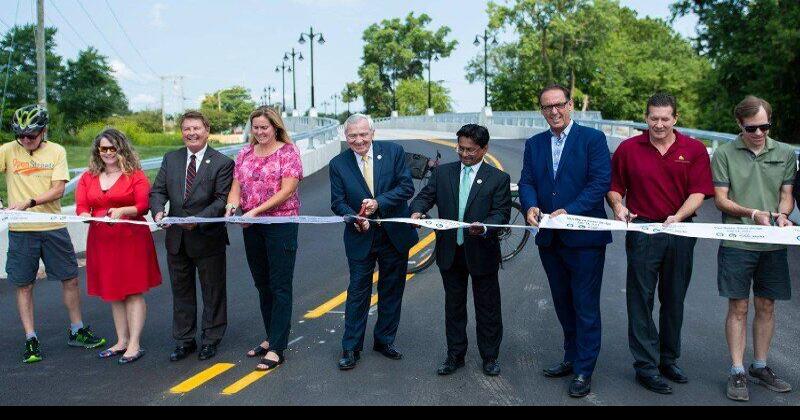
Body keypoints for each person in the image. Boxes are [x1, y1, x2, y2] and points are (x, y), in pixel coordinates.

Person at [607, 93, 715, 394]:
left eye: (665, 118)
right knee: (640, 300)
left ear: (675, 118)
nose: (659, 124)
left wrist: (678, 217)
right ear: (646, 118)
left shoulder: (693, 149)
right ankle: (646, 365)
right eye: (653, 118)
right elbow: (615, 188)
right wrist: (618, 207)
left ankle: (668, 359)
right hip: (643, 230)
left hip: (680, 230)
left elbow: (698, 193)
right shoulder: (629, 149)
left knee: (674, 298)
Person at [518, 84, 612, 398]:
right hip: (550, 238)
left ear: (570, 105)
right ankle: (571, 358)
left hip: (584, 238)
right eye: (547, 107)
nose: (554, 112)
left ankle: (585, 369)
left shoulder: (592, 139)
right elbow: (527, 180)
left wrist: (568, 212)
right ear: (541, 110)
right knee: (563, 303)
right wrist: (530, 205)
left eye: (559, 105)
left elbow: (599, 182)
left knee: (585, 306)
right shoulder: (534, 143)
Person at [0, 104, 105, 364]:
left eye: (32, 136)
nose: (26, 140)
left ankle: (77, 329)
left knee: (70, 278)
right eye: (21, 136)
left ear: (44, 131)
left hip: (53, 226)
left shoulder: (57, 151)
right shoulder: (7, 150)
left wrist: (29, 202)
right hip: (21, 229)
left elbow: (59, 190)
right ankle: (30, 338)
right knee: (24, 284)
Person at [409, 124, 511, 377]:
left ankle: (490, 357)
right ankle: (455, 355)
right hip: (450, 252)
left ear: (484, 149)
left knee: (487, 307)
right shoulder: (444, 174)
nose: (464, 154)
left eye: (471, 150)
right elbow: (425, 196)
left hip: (482, 251)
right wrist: (417, 210)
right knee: (453, 307)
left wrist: (486, 227)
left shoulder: (498, 179)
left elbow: (501, 213)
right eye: (461, 148)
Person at [711, 95, 795, 402]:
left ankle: (759, 366)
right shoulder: (723, 153)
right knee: (739, 307)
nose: (758, 133)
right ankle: (737, 370)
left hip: (773, 242)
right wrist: (753, 213)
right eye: (751, 128)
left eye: (764, 126)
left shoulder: (785, 152)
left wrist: (782, 215)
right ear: (739, 124)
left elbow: (787, 194)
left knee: (766, 306)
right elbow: (720, 198)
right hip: (737, 240)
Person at [329, 113, 418, 370]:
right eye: (353, 136)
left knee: (392, 289)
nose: (359, 140)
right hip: (360, 235)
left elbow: (406, 188)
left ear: (372, 133)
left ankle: (384, 340)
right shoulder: (338, 164)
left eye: (363, 134)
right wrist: (356, 218)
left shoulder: (394, 152)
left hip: (393, 233)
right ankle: (350, 347)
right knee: (358, 292)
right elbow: (338, 203)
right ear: (346, 137)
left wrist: (379, 203)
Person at [150, 110, 234, 362]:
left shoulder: (222, 162)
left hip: (208, 237)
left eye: (196, 128)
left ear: (207, 130)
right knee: (181, 292)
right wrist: (157, 213)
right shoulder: (171, 158)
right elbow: (158, 191)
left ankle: (210, 339)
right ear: (182, 132)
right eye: (187, 129)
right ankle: (184, 340)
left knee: (212, 291)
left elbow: (222, 200)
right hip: (176, 239)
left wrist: (196, 220)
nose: (191, 133)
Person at [225, 107, 303, 371]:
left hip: (280, 223)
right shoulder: (244, 153)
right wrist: (232, 207)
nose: (259, 132)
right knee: (263, 284)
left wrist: (256, 210)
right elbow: (236, 186)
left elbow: (288, 189)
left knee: (280, 284)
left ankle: (278, 348)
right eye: (255, 127)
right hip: (252, 225)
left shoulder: (288, 152)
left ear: (276, 127)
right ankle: (271, 337)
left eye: (264, 128)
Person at [76, 128, 162, 365]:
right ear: (97, 150)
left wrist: (123, 211)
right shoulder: (87, 177)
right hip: (102, 241)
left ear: (121, 148)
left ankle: (134, 343)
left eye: (112, 148)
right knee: (114, 292)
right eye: (103, 148)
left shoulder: (135, 175)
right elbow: (81, 206)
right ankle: (121, 340)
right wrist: (84, 215)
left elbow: (143, 205)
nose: (108, 153)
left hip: (131, 238)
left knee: (133, 290)